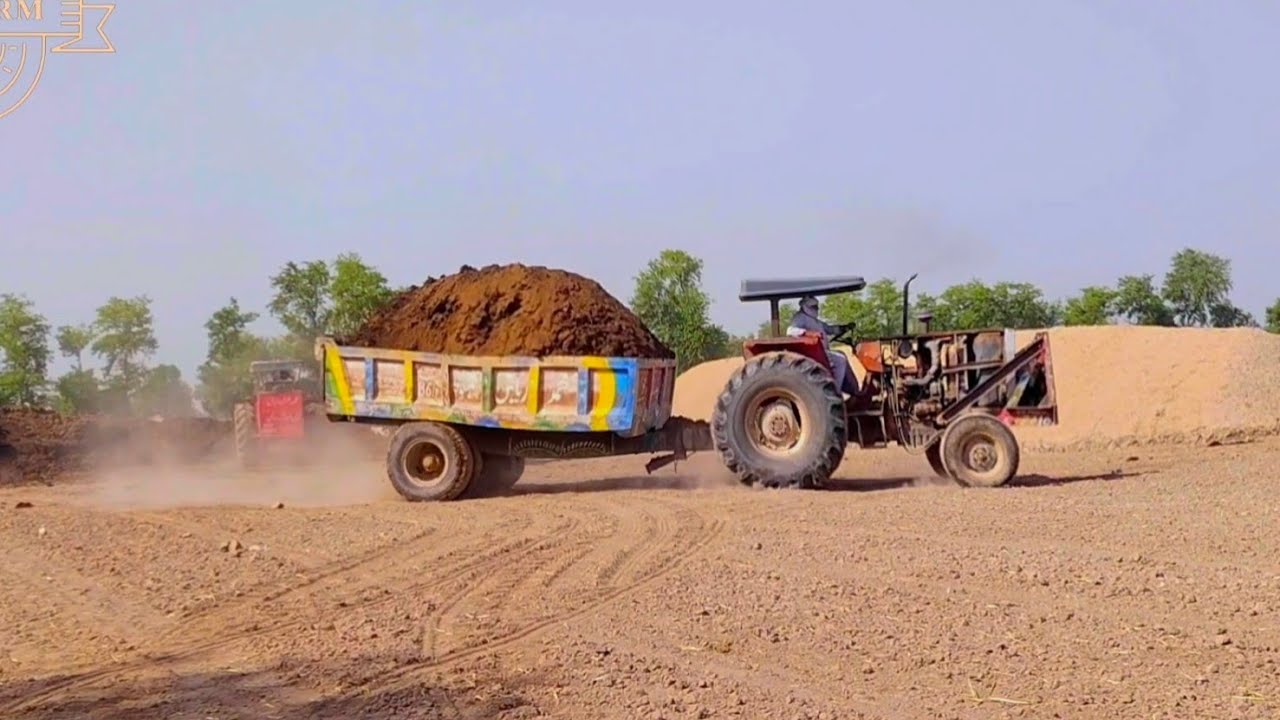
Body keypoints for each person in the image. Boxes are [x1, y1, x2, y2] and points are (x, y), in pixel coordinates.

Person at [786, 295, 860, 397]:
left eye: (817, 307)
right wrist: (809, 333)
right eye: (814, 307)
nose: (817, 309)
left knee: (841, 354)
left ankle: (853, 389)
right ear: (806, 307)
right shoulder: (800, 317)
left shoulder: (814, 320)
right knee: (840, 360)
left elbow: (828, 329)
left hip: (822, 351)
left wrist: (843, 328)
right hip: (813, 353)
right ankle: (835, 391)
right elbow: (790, 331)